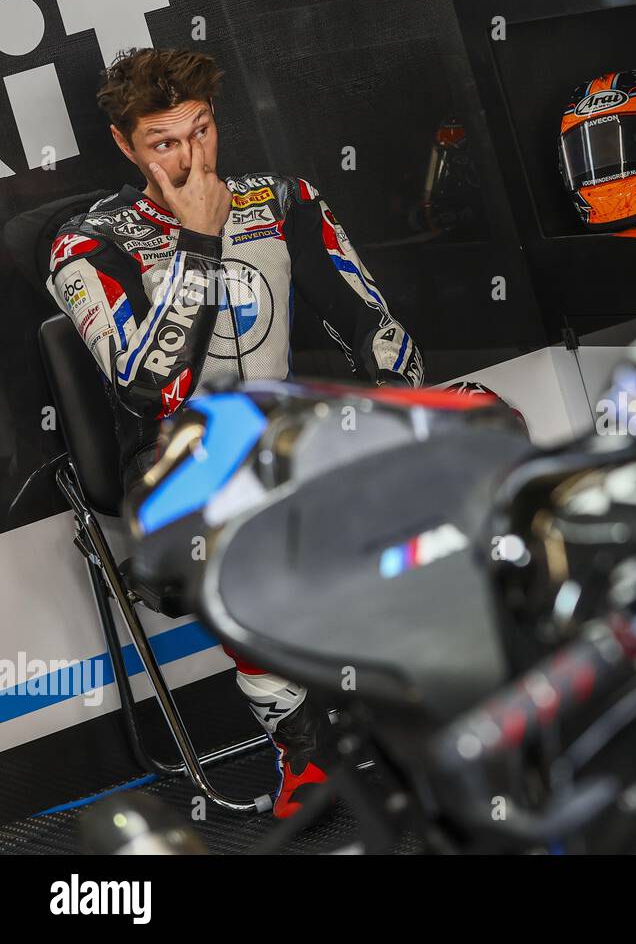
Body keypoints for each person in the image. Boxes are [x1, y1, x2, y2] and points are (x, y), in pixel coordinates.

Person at [47, 47, 425, 818]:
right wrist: (198, 242)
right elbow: (151, 389)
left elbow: (377, 330)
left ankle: (434, 705)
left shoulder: (282, 199)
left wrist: (413, 414)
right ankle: (306, 754)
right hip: (176, 467)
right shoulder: (86, 244)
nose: (191, 159)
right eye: (164, 143)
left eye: (203, 131)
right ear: (125, 145)